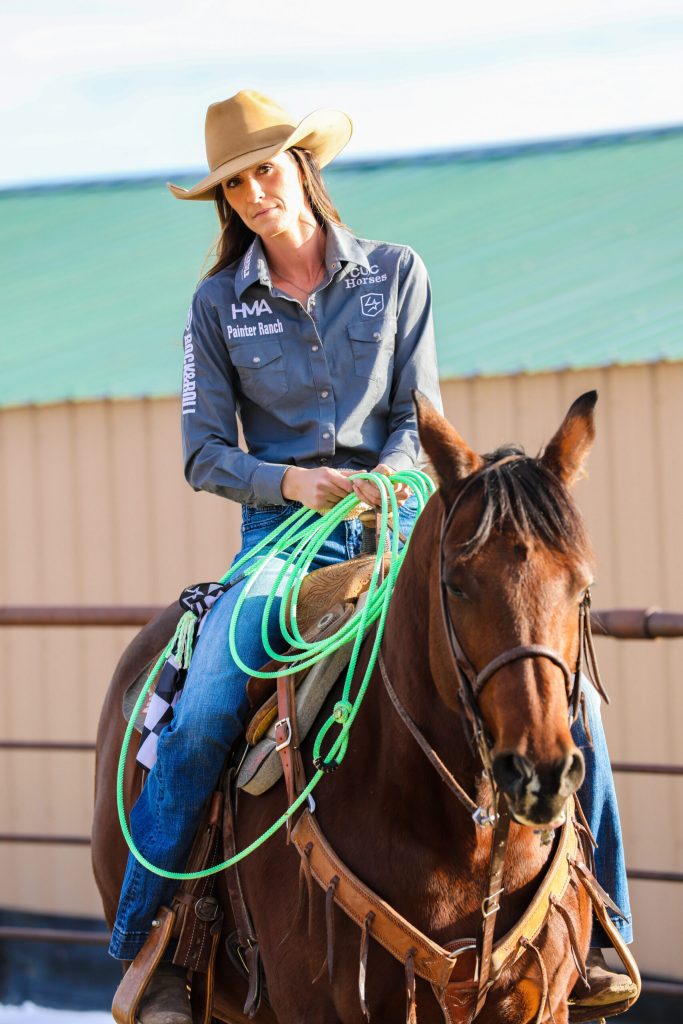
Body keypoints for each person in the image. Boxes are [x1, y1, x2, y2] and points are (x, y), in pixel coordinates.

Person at [108, 90, 634, 1023]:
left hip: (398, 526)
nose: (255, 191)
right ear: (225, 202)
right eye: (234, 184)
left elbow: (415, 413)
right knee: (206, 705)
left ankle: (599, 930)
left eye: (265, 168)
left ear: (304, 168)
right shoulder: (216, 308)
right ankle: (156, 947)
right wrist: (292, 483)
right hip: (281, 540)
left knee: (573, 701)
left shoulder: (395, 274)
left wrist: (390, 478)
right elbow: (202, 453)